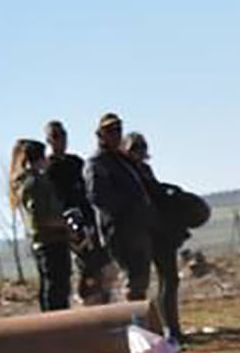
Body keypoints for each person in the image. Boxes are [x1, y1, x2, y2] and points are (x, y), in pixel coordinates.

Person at [122, 132, 187, 343]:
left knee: (169, 278)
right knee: (139, 283)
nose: (139, 152)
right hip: (139, 232)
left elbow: (157, 196)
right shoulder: (124, 173)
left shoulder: (145, 170)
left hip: (160, 231)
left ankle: (172, 328)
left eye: (142, 147)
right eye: (134, 148)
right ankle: (142, 332)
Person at [86, 112, 155, 300]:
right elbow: (97, 197)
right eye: (110, 130)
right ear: (100, 135)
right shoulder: (97, 163)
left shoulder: (123, 160)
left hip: (138, 226)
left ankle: (139, 314)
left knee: (141, 278)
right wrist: (128, 206)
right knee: (132, 280)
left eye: (118, 130)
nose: (115, 134)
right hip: (119, 230)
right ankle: (133, 316)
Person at [44, 121, 110, 305]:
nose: (61, 140)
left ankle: (101, 299)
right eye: (56, 136)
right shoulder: (48, 168)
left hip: (88, 218)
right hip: (67, 223)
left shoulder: (75, 163)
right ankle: (86, 299)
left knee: (100, 262)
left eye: (63, 135)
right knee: (82, 263)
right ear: (49, 140)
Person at [11, 139, 72, 312]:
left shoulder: (32, 182)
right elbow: (39, 219)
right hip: (50, 241)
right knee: (55, 288)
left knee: (54, 286)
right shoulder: (35, 183)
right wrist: (64, 224)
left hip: (49, 240)